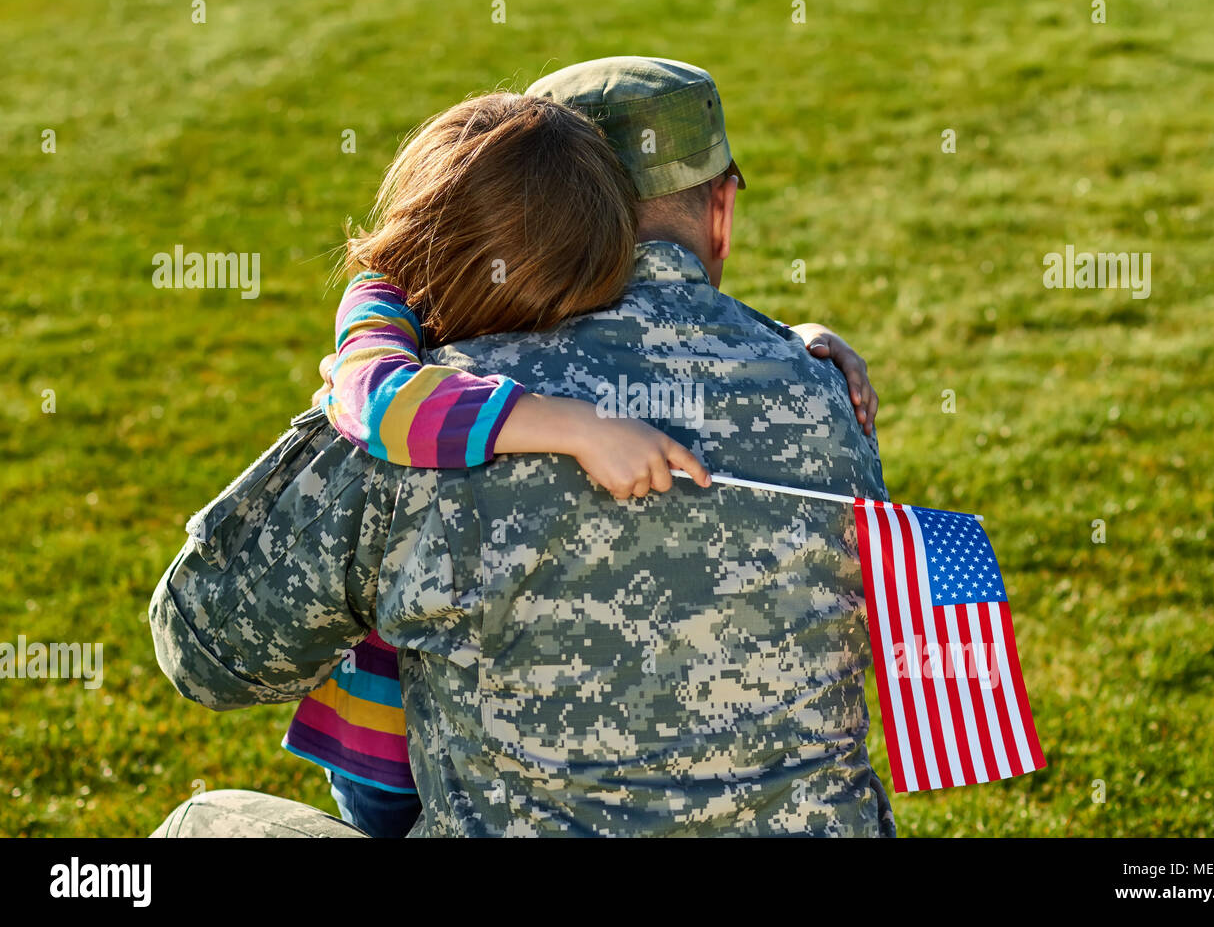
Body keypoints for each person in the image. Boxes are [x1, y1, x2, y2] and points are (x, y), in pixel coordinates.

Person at [151, 57, 894, 836]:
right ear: (722, 210)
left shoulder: (433, 410)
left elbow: (202, 648)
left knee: (210, 823)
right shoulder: (823, 392)